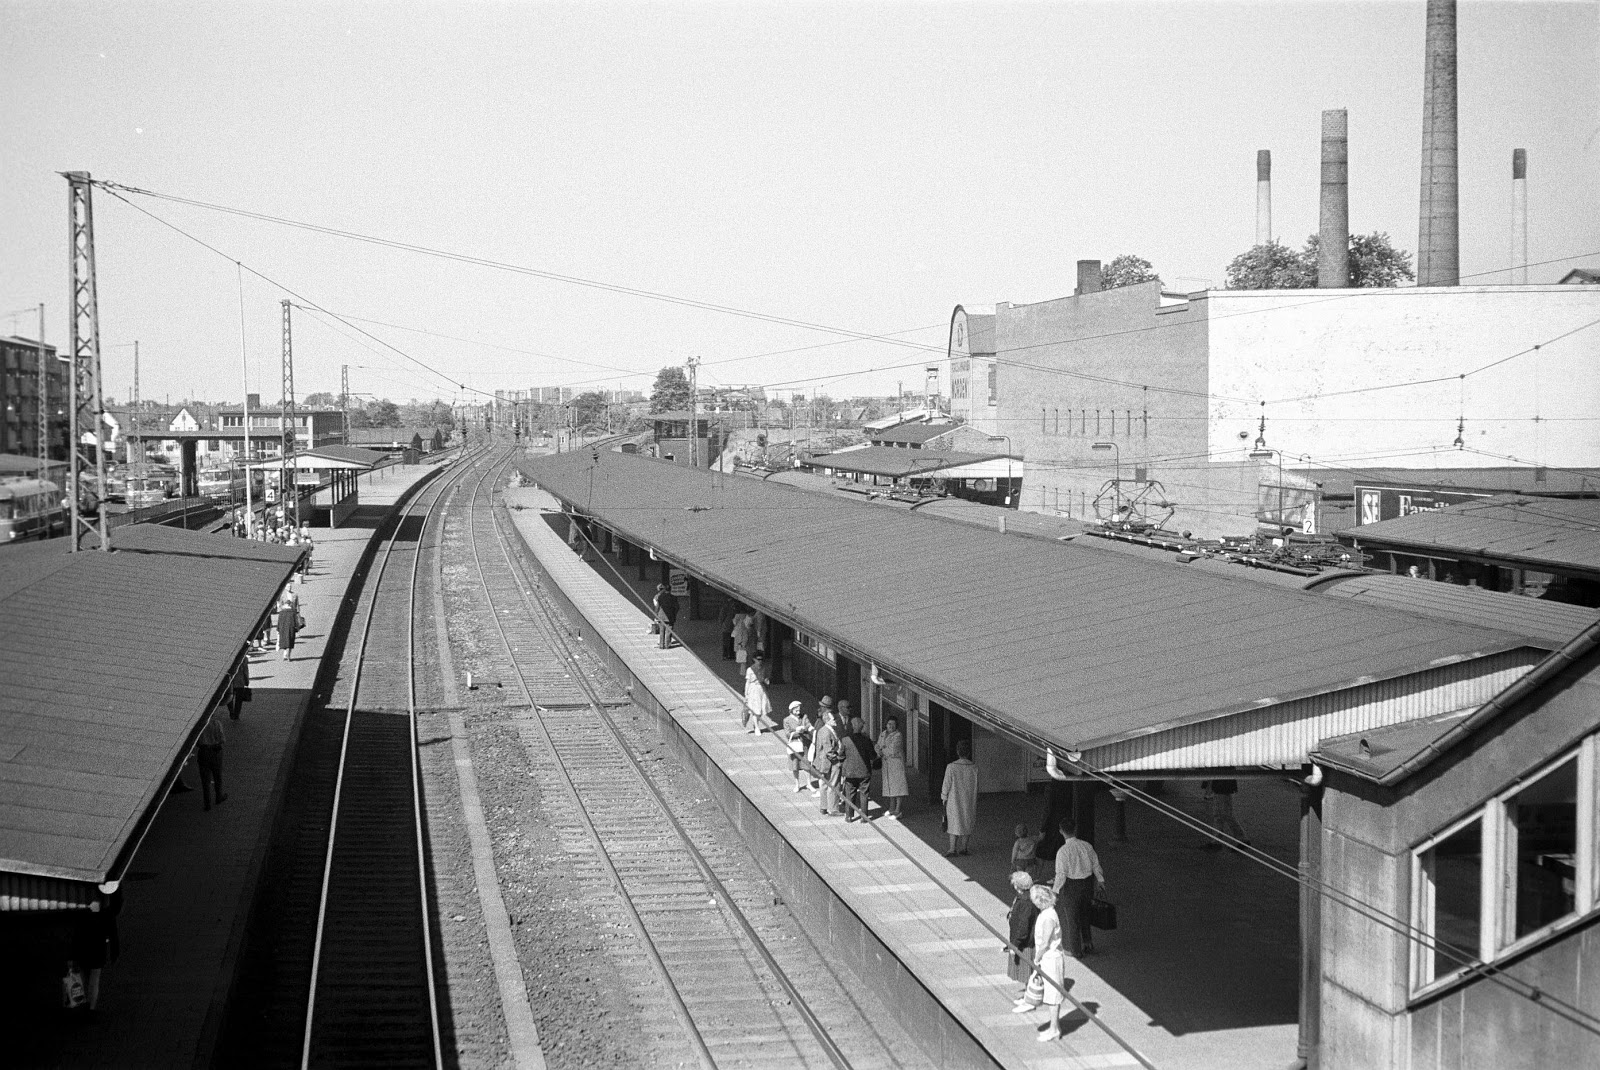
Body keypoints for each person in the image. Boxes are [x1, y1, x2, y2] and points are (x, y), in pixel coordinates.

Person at [1051, 819, 1106, 956]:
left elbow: (1061, 875)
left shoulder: (1062, 852)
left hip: (1071, 887)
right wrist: (1100, 880)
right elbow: (1095, 865)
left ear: (1061, 831)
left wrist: (1054, 891)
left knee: (1073, 919)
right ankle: (1088, 943)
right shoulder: (1087, 846)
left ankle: (1076, 950)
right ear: (1075, 829)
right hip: (1087, 884)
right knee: (1085, 914)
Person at [1026, 883, 1068, 1041]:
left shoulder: (1049, 916)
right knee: (1051, 995)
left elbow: (1045, 941)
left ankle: (1054, 1029)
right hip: (1048, 958)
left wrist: (1036, 958)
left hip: (1051, 959)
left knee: (1053, 996)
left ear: (1040, 900)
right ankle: (1054, 1027)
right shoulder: (1047, 913)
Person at [940, 738, 979, 856]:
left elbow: (946, 784)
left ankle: (952, 849)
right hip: (969, 798)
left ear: (957, 751)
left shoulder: (951, 767)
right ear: (969, 752)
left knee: (954, 822)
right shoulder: (974, 767)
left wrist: (944, 797)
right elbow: (976, 784)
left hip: (954, 799)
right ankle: (964, 848)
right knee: (967, 820)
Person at [1006, 871, 1040, 999]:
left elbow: (1022, 926)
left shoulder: (1025, 902)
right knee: (1028, 972)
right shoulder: (1026, 897)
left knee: (1027, 972)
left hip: (1025, 943)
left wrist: (1014, 944)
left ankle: (1029, 997)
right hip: (1026, 941)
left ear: (1018, 886)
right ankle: (1029, 994)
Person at [839, 716, 877, 822]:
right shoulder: (866, 740)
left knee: (850, 793)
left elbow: (841, 755)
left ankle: (849, 816)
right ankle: (864, 817)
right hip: (864, 772)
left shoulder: (845, 740)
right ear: (861, 727)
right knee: (864, 793)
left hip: (850, 772)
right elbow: (872, 756)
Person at [875, 715, 908, 819]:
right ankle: (891, 808)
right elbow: (877, 745)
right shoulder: (883, 734)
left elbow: (893, 750)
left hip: (896, 764)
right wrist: (879, 751)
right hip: (886, 764)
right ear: (886, 724)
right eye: (889, 724)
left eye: (893, 724)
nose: (891, 726)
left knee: (898, 787)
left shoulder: (898, 735)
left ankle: (898, 810)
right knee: (889, 786)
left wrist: (882, 750)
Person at [1204, 778, 1250, 847]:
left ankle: (1242, 839)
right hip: (1221, 787)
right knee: (1219, 814)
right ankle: (1216, 840)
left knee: (1226, 814)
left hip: (1222, 787)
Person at [197, 711, 228, 811]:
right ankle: (219, 796)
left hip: (203, 752)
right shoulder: (216, 723)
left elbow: (197, 742)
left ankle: (207, 803)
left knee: (205, 779)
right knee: (217, 775)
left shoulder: (199, 725)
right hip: (216, 752)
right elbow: (222, 739)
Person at [782, 700, 812, 792]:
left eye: (799, 710)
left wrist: (807, 728)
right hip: (795, 745)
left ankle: (809, 784)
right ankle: (797, 784)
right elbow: (787, 734)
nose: (798, 712)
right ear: (791, 711)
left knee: (806, 765)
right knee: (795, 765)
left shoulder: (804, 717)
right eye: (796, 711)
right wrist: (796, 732)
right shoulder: (786, 720)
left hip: (804, 745)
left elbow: (808, 724)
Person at [742, 658, 773, 733]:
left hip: (762, 690)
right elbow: (748, 682)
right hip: (753, 689)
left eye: (761, 659)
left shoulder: (763, 668)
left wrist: (767, 681)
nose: (760, 661)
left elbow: (766, 679)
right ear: (754, 659)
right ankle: (756, 727)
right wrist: (746, 694)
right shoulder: (750, 669)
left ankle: (755, 724)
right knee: (755, 710)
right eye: (758, 659)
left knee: (760, 709)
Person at [652, 583, 679, 649]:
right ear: (670, 590)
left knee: (662, 631)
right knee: (669, 631)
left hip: (661, 616)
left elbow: (657, 607)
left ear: (664, 589)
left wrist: (656, 615)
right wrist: (674, 613)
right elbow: (677, 607)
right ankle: (667, 644)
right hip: (670, 616)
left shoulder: (660, 597)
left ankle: (661, 645)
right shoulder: (673, 597)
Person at [276, 593, 300, 661]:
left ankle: (284, 655)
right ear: (290, 605)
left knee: (284, 642)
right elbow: (296, 622)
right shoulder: (293, 612)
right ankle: (289, 656)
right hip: (290, 629)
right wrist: (297, 628)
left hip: (283, 629)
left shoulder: (281, 613)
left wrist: (278, 629)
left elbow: (279, 622)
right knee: (290, 642)